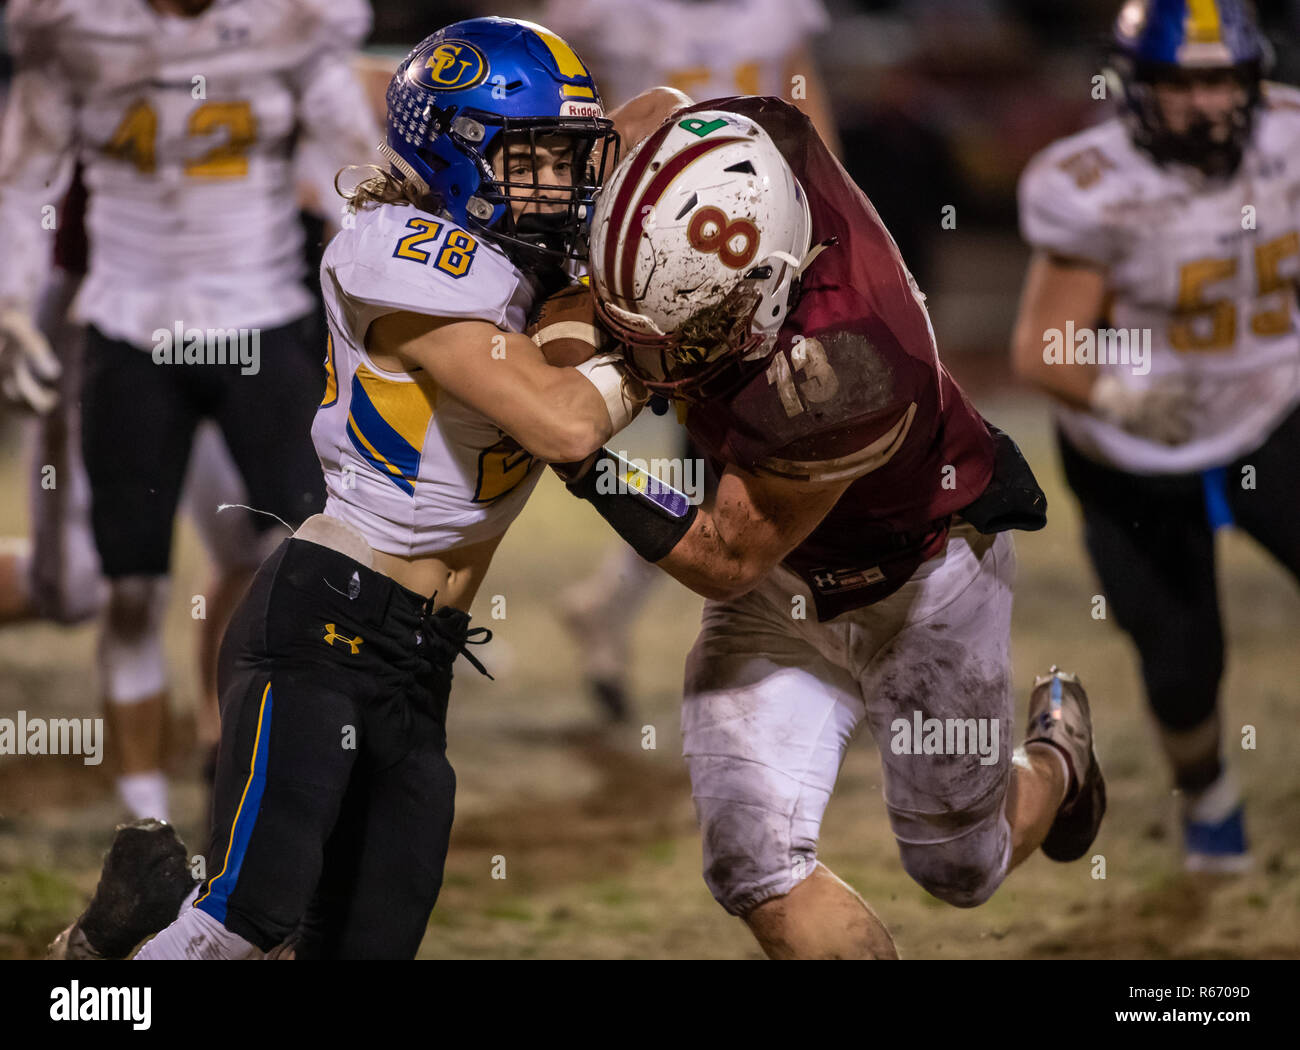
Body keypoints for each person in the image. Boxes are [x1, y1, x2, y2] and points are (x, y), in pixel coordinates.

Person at [125, 16, 651, 960]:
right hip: (324, 629)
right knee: (243, 926)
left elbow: (659, 111)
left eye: (566, 157)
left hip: (421, 660)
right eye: (529, 158)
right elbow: (567, 425)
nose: (558, 184)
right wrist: (659, 345)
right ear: (450, 151)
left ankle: (122, 924)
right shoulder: (398, 251)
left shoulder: (525, 262)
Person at [566, 98, 1105, 959]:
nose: (653, 356)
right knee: (752, 865)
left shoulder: (847, 371)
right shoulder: (761, 145)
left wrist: (583, 462)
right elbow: (661, 114)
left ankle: (1057, 760)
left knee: (960, 869)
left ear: (766, 291)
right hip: (779, 596)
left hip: (920, 580)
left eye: (685, 333)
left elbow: (725, 557)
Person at [0, 0, 380, 824]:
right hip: (127, 322)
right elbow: (21, 180)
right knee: (125, 590)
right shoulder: (73, 25)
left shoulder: (295, 18)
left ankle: (264, 783)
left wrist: (386, 297)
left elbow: (362, 174)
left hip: (262, 318)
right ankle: (146, 829)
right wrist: (10, 301)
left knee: (305, 566)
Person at [1012, 0, 1299, 873]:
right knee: (1181, 662)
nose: (1207, 103)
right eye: (1181, 82)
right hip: (1136, 449)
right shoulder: (1094, 184)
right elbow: (1042, 346)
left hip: (1272, 410)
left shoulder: (1290, 136)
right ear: (1136, 85)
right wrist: (1117, 396)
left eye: (1222, 80)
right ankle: (1207, 795)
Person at [537, 0, 841, 721]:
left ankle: (609, 606)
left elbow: (807, 111)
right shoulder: (605, 13)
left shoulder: (777, 11)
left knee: (741, 453)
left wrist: (832, 217)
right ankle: (802, 653)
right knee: (744, 451)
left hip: (758, 249)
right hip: (656, 257)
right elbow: (552, 94)